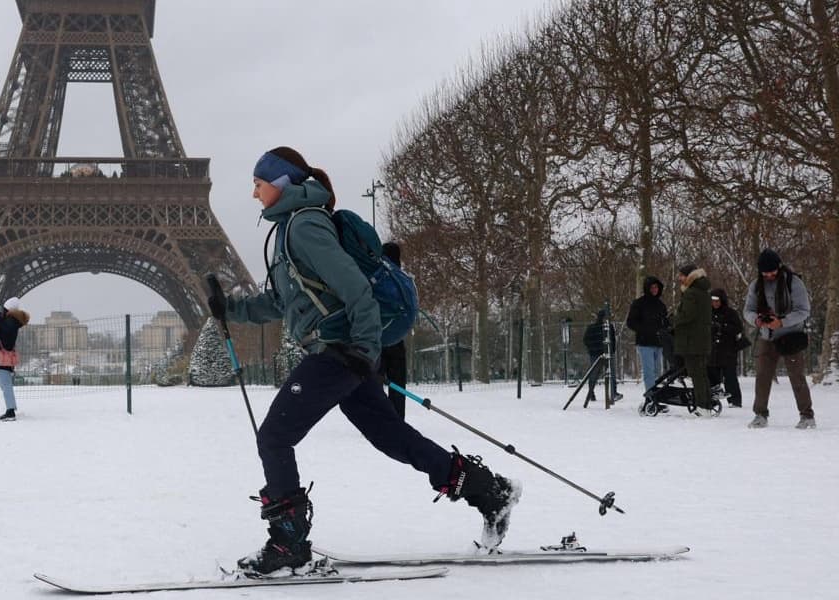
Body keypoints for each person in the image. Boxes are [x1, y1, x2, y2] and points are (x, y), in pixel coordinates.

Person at [206, 146, 519, 575]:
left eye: (258, 184)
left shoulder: (304, 226)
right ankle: (489, 491)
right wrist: (231, 309)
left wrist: (363, 350)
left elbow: (356, 289)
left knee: (275, 437)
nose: (254, 193)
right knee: (391, 436)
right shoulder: (288, 230)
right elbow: (282, 302)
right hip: (343, 352)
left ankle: (288, 544)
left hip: (339, 352)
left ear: (280, 183)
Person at [743, 249, 814, 429]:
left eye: (772, 272)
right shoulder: (756, 285)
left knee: (796, 376)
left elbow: (803, 310)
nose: (768, 276)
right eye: (765, 273)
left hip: (791, 337)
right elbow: (748, 310)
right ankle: (760, 414)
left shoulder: (794, 283)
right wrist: (757, 320)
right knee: (762, 376)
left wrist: (782, 322)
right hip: (767, 336)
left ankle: (807, 415)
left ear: (779, 268)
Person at [673, 263, 715, 414]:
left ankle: (702, 406)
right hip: (702, 339)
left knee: (696, 374)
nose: (680, 278)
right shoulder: (704, 292)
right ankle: (707, 405)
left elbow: (687, 315)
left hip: (691, 340)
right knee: (702, 374)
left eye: (682, 276)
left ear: (689, 276)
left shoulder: (691, 293)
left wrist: (673, 320)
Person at [0, 296, 29, 421]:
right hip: (2, 356)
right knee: (4, 384)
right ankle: (11, 408)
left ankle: (10, 411)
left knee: (5, 384)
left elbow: (4, 332)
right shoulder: (10, 321)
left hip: (3, 356)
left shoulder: (11, 321)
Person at [379, 241, 408, 419]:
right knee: (398, 385)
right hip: (397, 338)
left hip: (377, 339)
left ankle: (379, 419)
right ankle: (398, 420)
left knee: (375, 384)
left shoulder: (376, 277)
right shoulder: (402, 280)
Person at [625, 276, 670, 393]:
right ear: (647, 288)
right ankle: (651, 396)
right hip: (645, 343)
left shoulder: (661, 305)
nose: (654, 289)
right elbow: (631, 322)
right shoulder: (639, 303)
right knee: (649, 372)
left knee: (658, 372)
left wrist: (665, 332)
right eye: (652, 287)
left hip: (659, 343)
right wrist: (645, 330)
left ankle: (656, 395)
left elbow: (665, 322)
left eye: (656, 287)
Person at [707, 288, 744, 408]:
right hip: (712, 351)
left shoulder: (730, 313)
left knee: (730, 377)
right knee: (712, 376)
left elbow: (738, 328)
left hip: (728, 350)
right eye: (712, 301)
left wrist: (722, 327)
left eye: (717, 300)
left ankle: (735, 401)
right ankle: (712, 400)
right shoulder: (707, 313)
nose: (715, 303)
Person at [582, 309, 620, 403]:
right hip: (600, 353)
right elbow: (612, 340)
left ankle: (593, 393)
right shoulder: (606, 327)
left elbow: (586, 340)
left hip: (599, 353)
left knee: (596, 374)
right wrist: (610, 350)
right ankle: (610, 392)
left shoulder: (594, 328)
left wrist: (593, 349)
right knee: (606, 373)